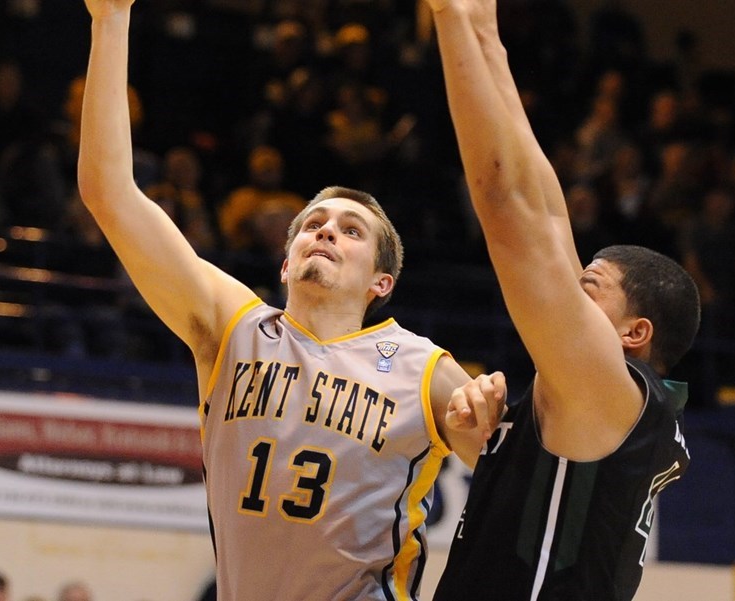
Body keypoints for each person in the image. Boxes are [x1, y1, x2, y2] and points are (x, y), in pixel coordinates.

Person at [76, 2, 504, 600]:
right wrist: (110, 19)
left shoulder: (423, 368)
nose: (326, 231)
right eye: (313, 224)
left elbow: (518, 481)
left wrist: (487, 425)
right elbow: (110, 193)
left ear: (381, 283)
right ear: (285, 264)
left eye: (351, 231)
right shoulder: (233, 329)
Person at [427, 1, 701, 600]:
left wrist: (448, 18)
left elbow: (507, 206)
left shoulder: (609, 391)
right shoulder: (603, 410)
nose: (561, 297)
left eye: (588, 289)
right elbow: (548, 215)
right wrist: (485, 33)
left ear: (634, 333)